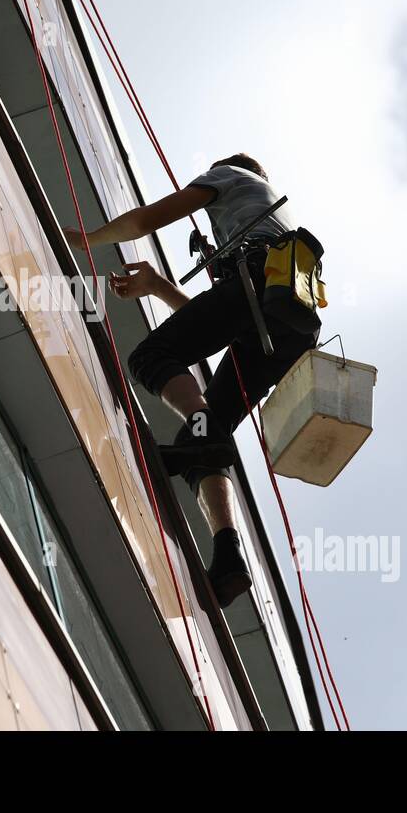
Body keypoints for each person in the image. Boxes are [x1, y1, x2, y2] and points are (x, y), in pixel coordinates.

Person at [63, 154, 319, 607]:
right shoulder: (277, 224)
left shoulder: (232, 176)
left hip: (255, 287)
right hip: (287, 326)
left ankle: (206, 436)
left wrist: (89, 240)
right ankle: (229, 557)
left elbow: (149, 218)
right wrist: (159, 287)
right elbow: (218, 326)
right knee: (200, 441)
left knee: (151, 356)